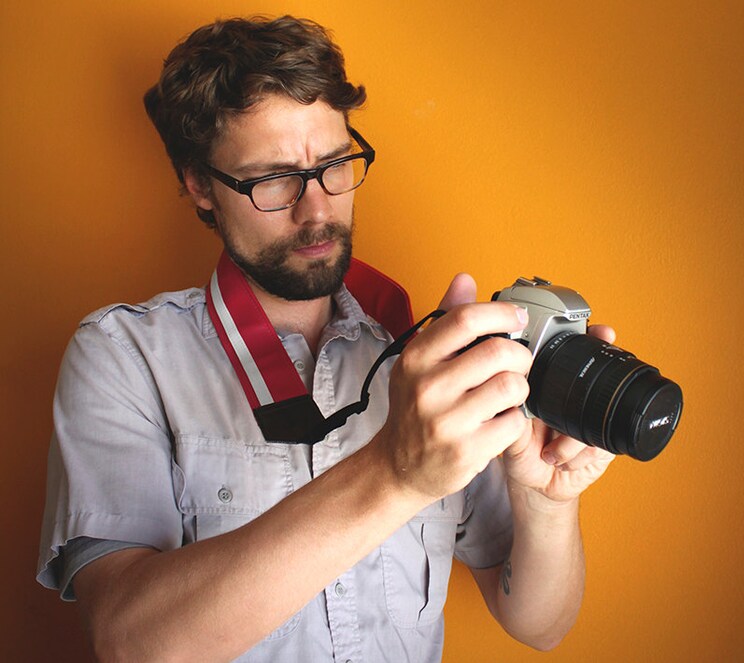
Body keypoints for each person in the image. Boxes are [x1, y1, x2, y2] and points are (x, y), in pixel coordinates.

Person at [37, 15, 616, 662]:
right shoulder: (123, 356)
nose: (317, 209)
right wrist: (394, 474)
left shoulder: (429, 363)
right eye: (272, 179)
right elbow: (129, 643)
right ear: (201, 186)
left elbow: (538, 623)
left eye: (336, 164)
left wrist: (544, 500)